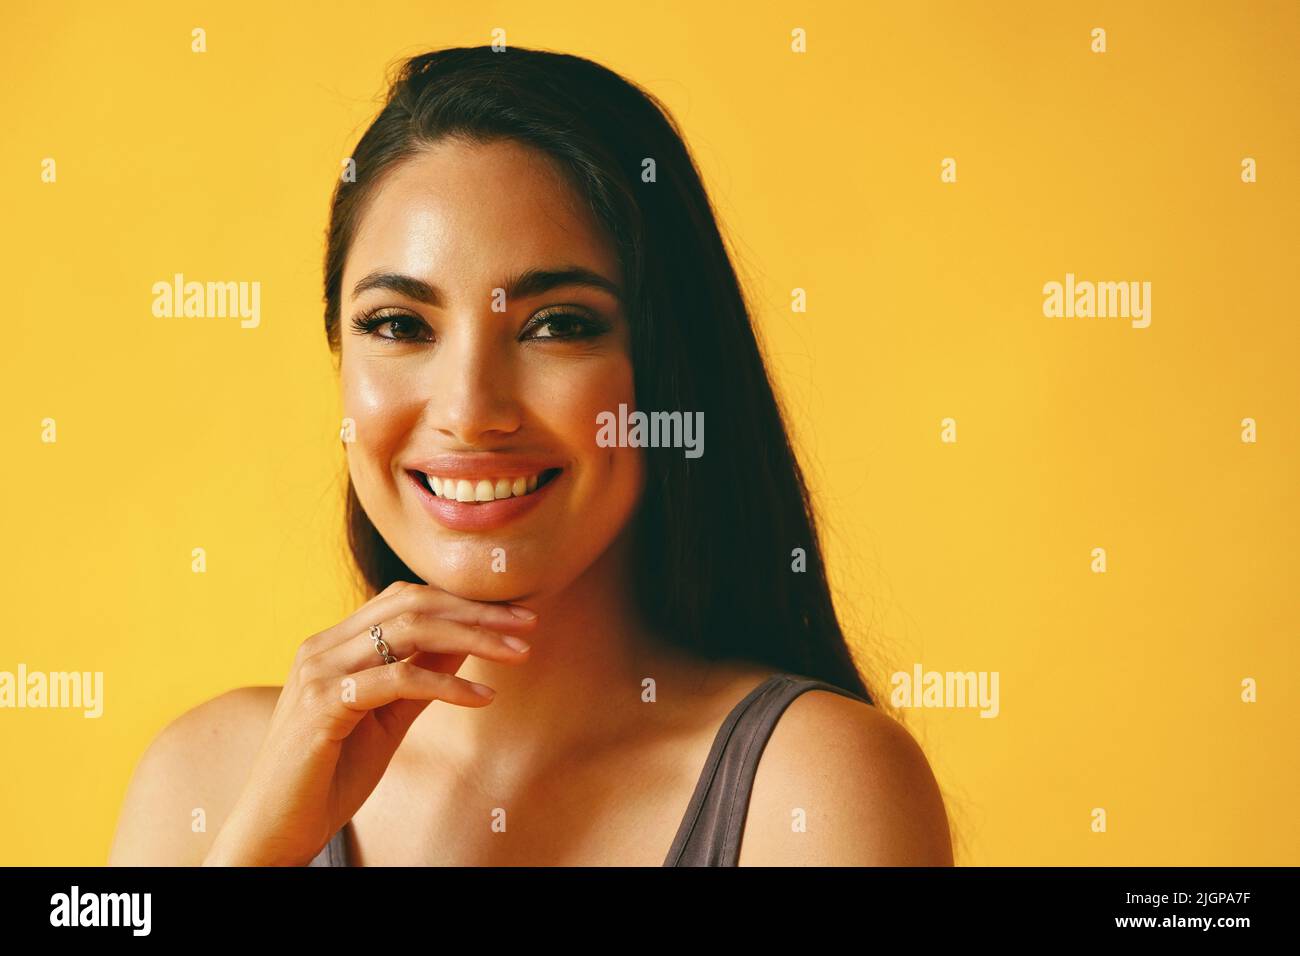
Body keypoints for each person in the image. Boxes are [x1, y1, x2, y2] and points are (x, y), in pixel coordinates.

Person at [109, 46, 953, 867]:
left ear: (666, 365)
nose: (471, 413)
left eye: (558, 326)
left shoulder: (813, 788)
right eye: (400, 326)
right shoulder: (208, 777)